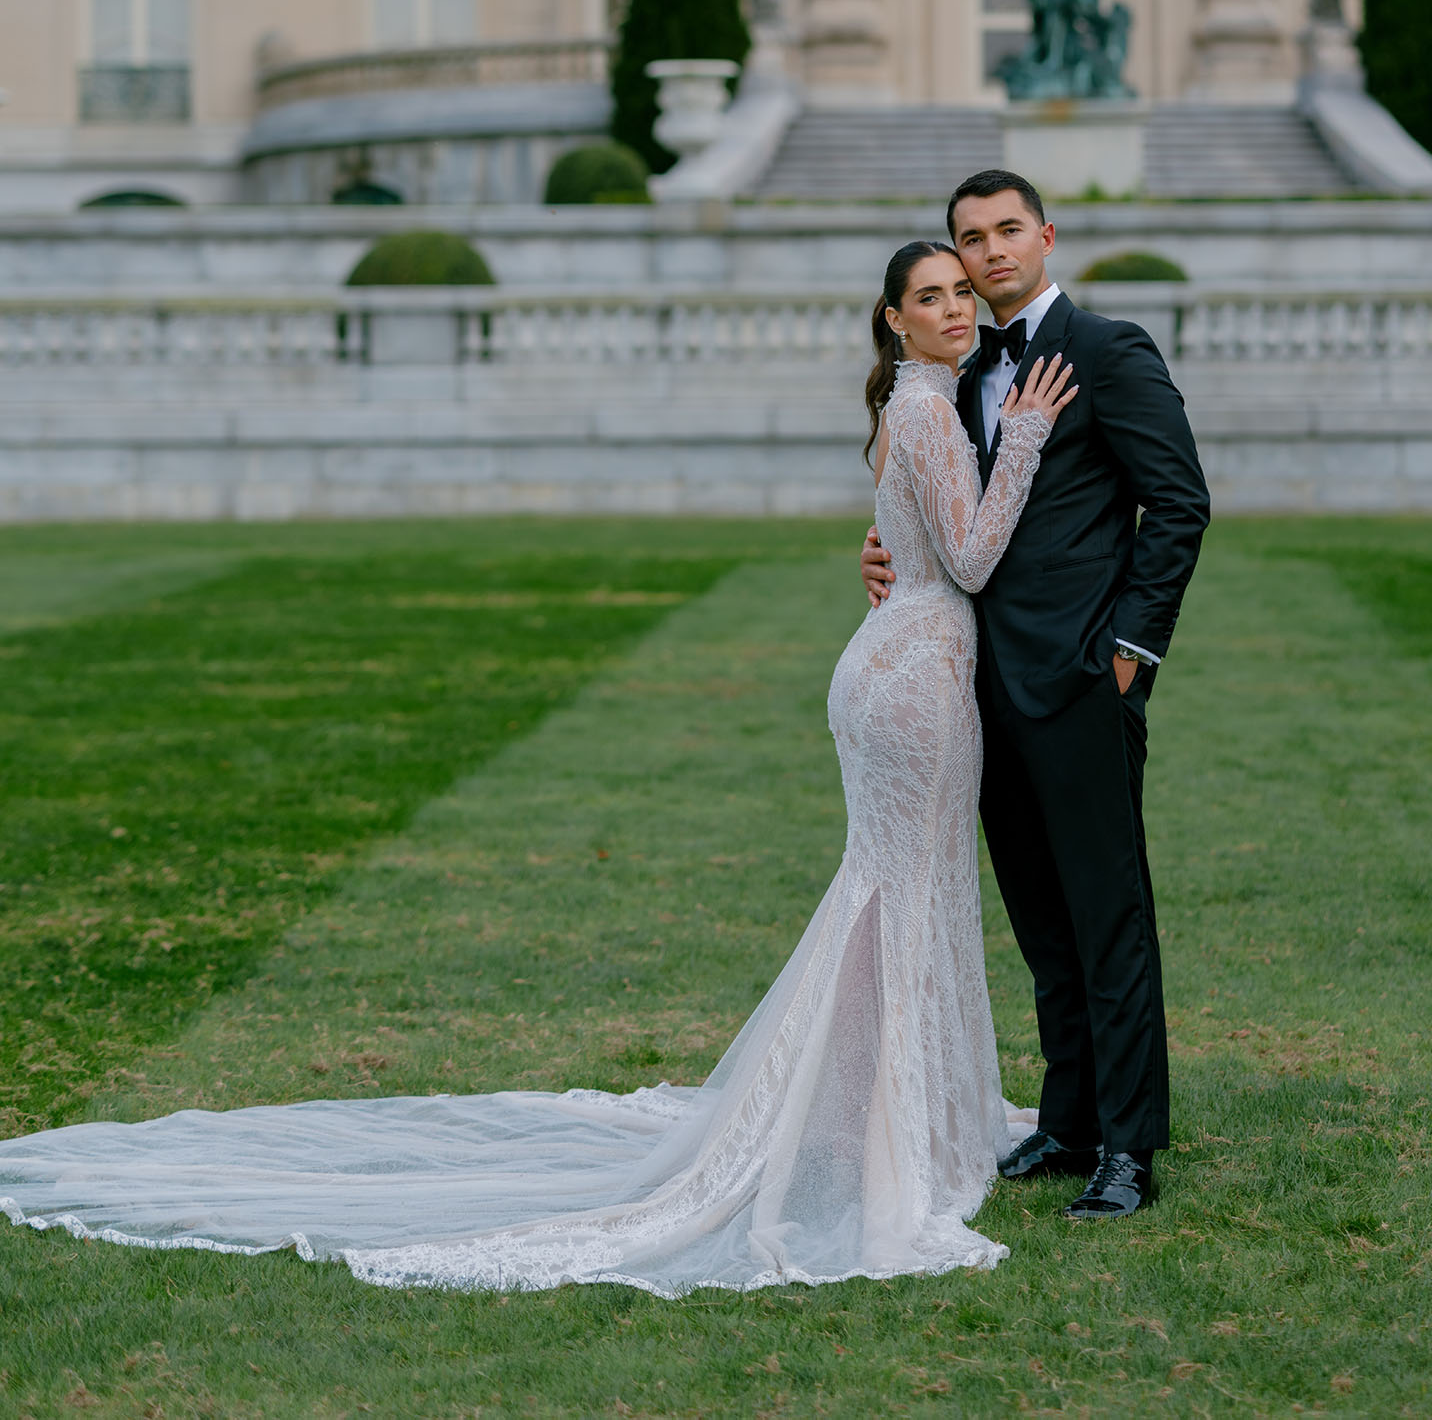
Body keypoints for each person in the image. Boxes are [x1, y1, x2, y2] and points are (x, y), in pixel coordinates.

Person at [0, 242, 1075, 1297]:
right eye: (927, 297)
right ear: (892, 318)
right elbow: (973, 558)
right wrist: (1024, 439)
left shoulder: (903, 409)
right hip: (918, 675)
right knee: (905, 894)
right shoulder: (932, 410)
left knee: (892, 894)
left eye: (956, 294)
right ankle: (886, 1133)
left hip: (894, 666)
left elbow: (919, 538)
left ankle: (886, 1116)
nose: (952, 309)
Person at [861, 168, 1210, 1221]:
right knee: (1040, 923)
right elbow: (944, 506)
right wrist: (883, 556)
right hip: (973, 689)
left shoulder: (1107, 351)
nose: (990, 252)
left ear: (1046, 235)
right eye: (971, 239)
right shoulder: (958, 363)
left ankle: (1130, 1147)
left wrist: (1130, 649)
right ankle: (1067, 1121)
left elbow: (1179, 500)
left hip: (1077, 679)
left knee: (1107, 917)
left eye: (1008, 230)